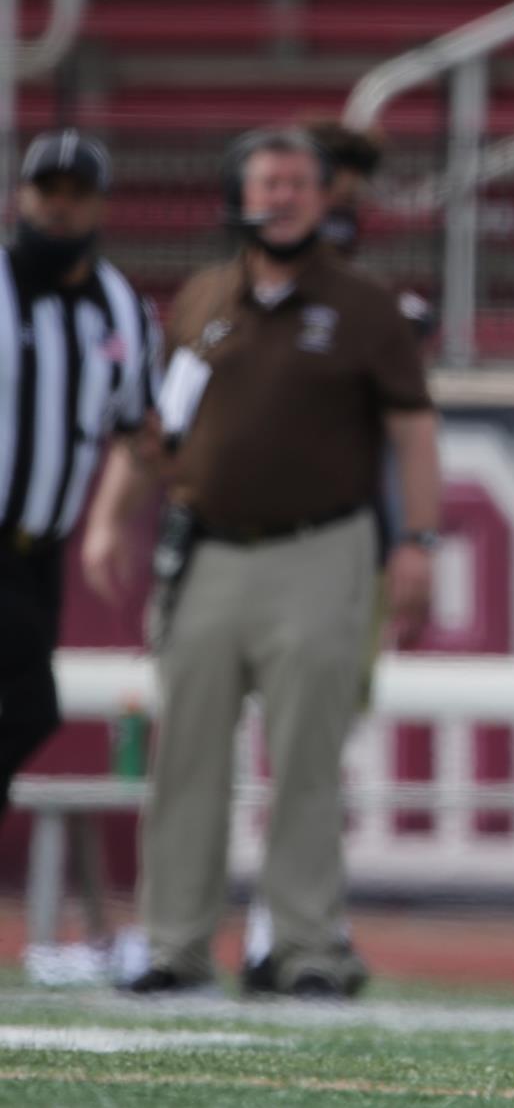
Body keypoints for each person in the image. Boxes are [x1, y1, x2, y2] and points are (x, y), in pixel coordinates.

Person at [84, 127, 441, 998]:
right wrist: (106, 521)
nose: (279, 196)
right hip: (207, 549)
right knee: (188, 755)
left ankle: (309, 945)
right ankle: (175, 943)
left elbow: (412, 428)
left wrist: (416, 540)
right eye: (265, 181)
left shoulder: (362, 305)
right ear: (237, 193)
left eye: (294, 182)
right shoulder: (204, 296)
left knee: (306, 757)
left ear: (324, 199)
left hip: (319, 547)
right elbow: (156, 428)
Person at [4, 131, 159, 817]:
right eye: (48, 193)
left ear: (99, 207)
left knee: (32, 712)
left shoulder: (121, 306)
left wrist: (108, 520)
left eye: (76, 195)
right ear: (22, 196)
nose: (59, 209)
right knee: (30, 707)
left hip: (40, 555)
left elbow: (138, 427)